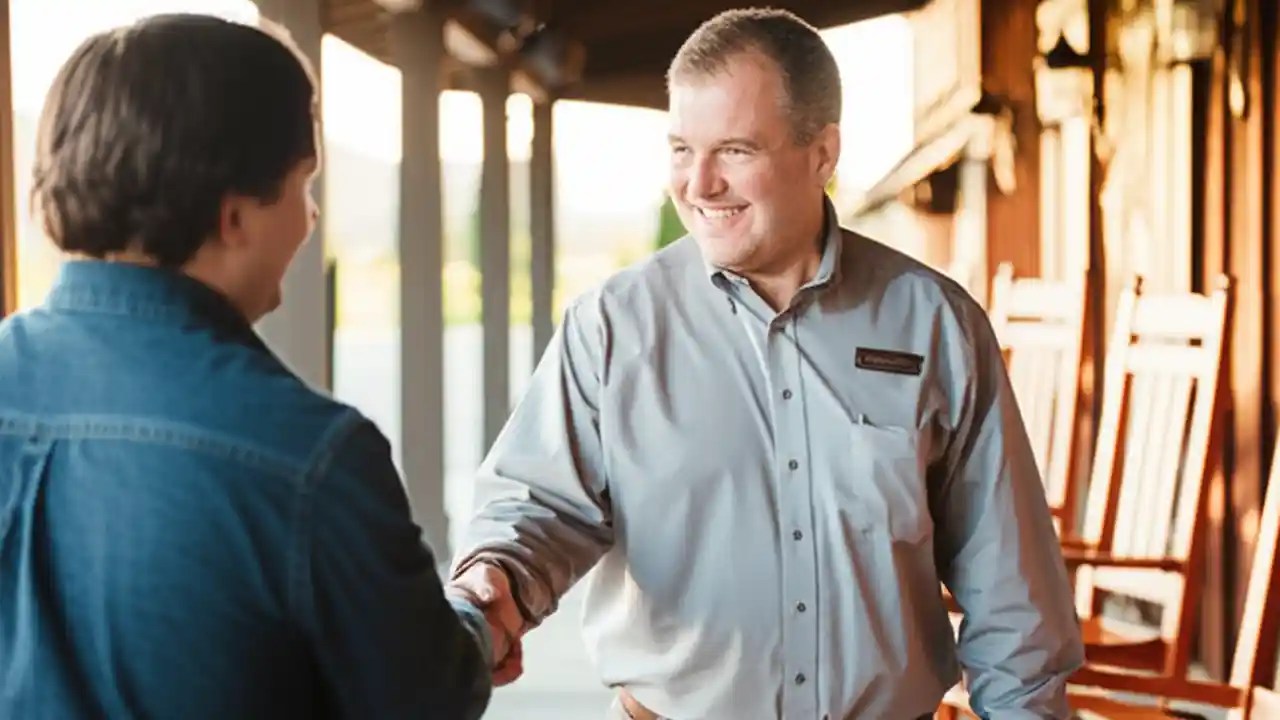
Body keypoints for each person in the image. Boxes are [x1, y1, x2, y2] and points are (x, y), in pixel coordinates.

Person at [448, 7, 1084, 719]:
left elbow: (1011, 590)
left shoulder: (934, 325)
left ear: (823, 153)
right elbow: (536, 510)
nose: (699, 184)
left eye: (737, 150)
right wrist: (490, 583)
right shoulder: (613, 329)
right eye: (683, 149)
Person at [0, 14, 500, 720]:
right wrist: (475, 619)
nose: (312, 216)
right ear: (234, 216)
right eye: (304, 186)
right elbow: (427, 700)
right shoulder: (311, 458)